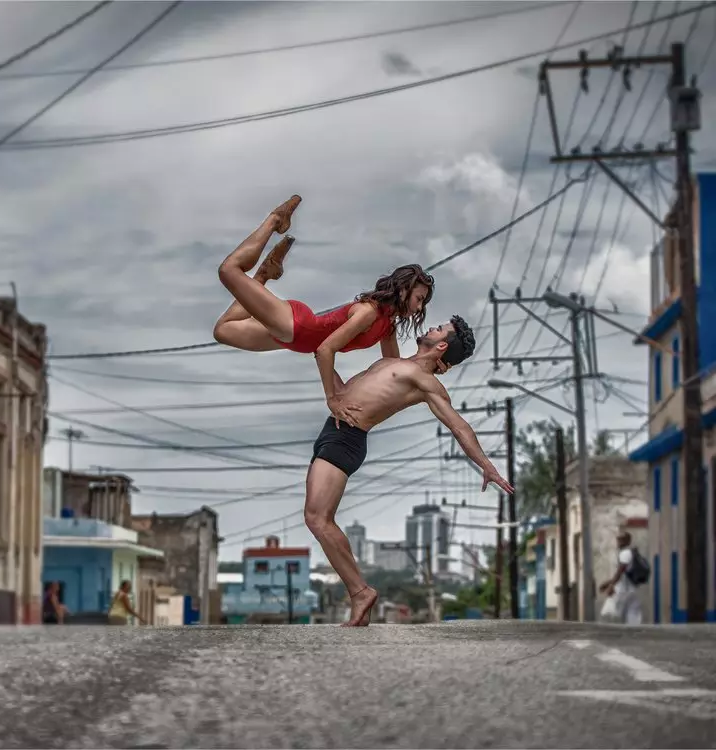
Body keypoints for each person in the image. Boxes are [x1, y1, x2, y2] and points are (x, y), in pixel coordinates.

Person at [302, 316, 514, 627]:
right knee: (316, 517)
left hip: (347, 437)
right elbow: (384, 328)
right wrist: (317, 349)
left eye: (439, 329)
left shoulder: (425, 381)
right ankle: (359, 591)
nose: (432, 326)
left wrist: (487, 465)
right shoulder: (393, 361)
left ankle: (360, 591)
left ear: (441, 345)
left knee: (317, 518)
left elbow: (459, 426)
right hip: (332, 430)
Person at [213, 196, 442, 424]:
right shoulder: (368, 313)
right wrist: (332, 399)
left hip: (296, 340)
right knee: (229, 270)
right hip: (295, 325)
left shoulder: (387, 327)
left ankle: (264, 275)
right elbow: (325, 350)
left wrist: (434, 362)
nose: (419, 308)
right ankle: (275, 220)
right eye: (419, 299)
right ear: (403, 289)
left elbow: (396, 371)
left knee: (223, 331)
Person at [599, 532, 645, 625]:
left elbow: (621, 570)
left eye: (620, 540)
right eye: (618, 540)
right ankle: (633, 631)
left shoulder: (625, 553)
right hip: (631, 589)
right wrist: (609, 582)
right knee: (632, 613)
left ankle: (613, 631)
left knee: (610, 613)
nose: (618, 542)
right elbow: (622, 572)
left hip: (623, 589)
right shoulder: (630, 552)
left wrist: (611, 585)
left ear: (627, 541)